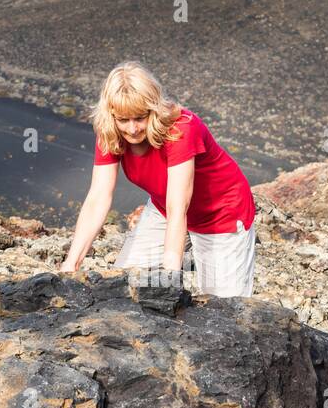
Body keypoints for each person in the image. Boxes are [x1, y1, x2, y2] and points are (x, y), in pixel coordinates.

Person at [59, 61, 257, 296]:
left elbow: (178, 208)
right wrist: (71, 263)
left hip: (220, 216)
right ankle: (190, 260)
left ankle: (190, 262)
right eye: (123, 120)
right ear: (112, 115)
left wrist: (170, 276)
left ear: (153, 110)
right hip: (162, 208)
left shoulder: (181, 129)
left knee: (222, 310)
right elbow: (98, 198)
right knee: (124, 284)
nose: (132, 129)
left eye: (140, 118)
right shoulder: (110, 130)